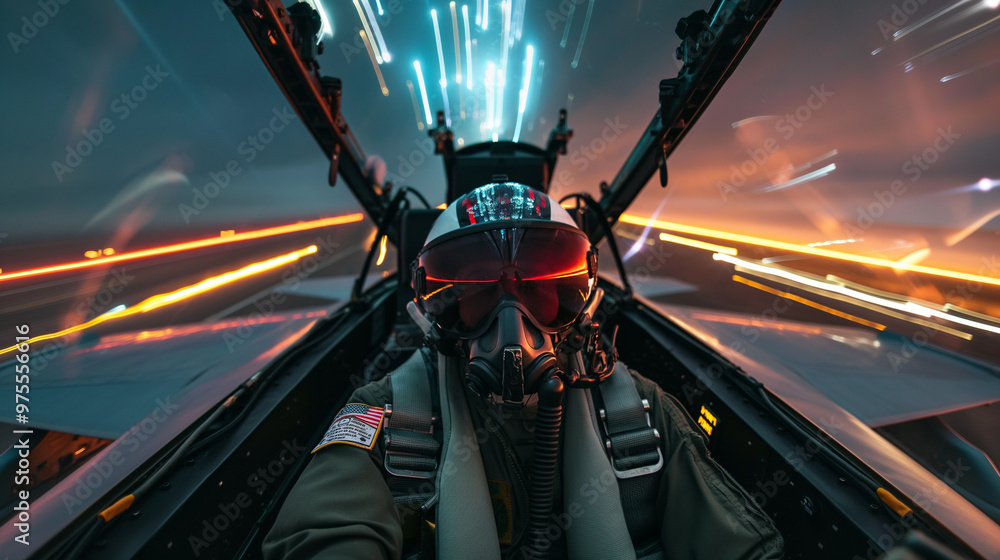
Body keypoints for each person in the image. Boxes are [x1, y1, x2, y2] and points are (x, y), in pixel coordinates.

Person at [263, 182, 784, 560]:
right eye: (481, 287)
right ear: (440, 309)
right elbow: (326, 534)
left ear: (575, 299)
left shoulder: (639, 415)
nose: (510, 316)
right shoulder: (388, 416)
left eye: (533, 284)